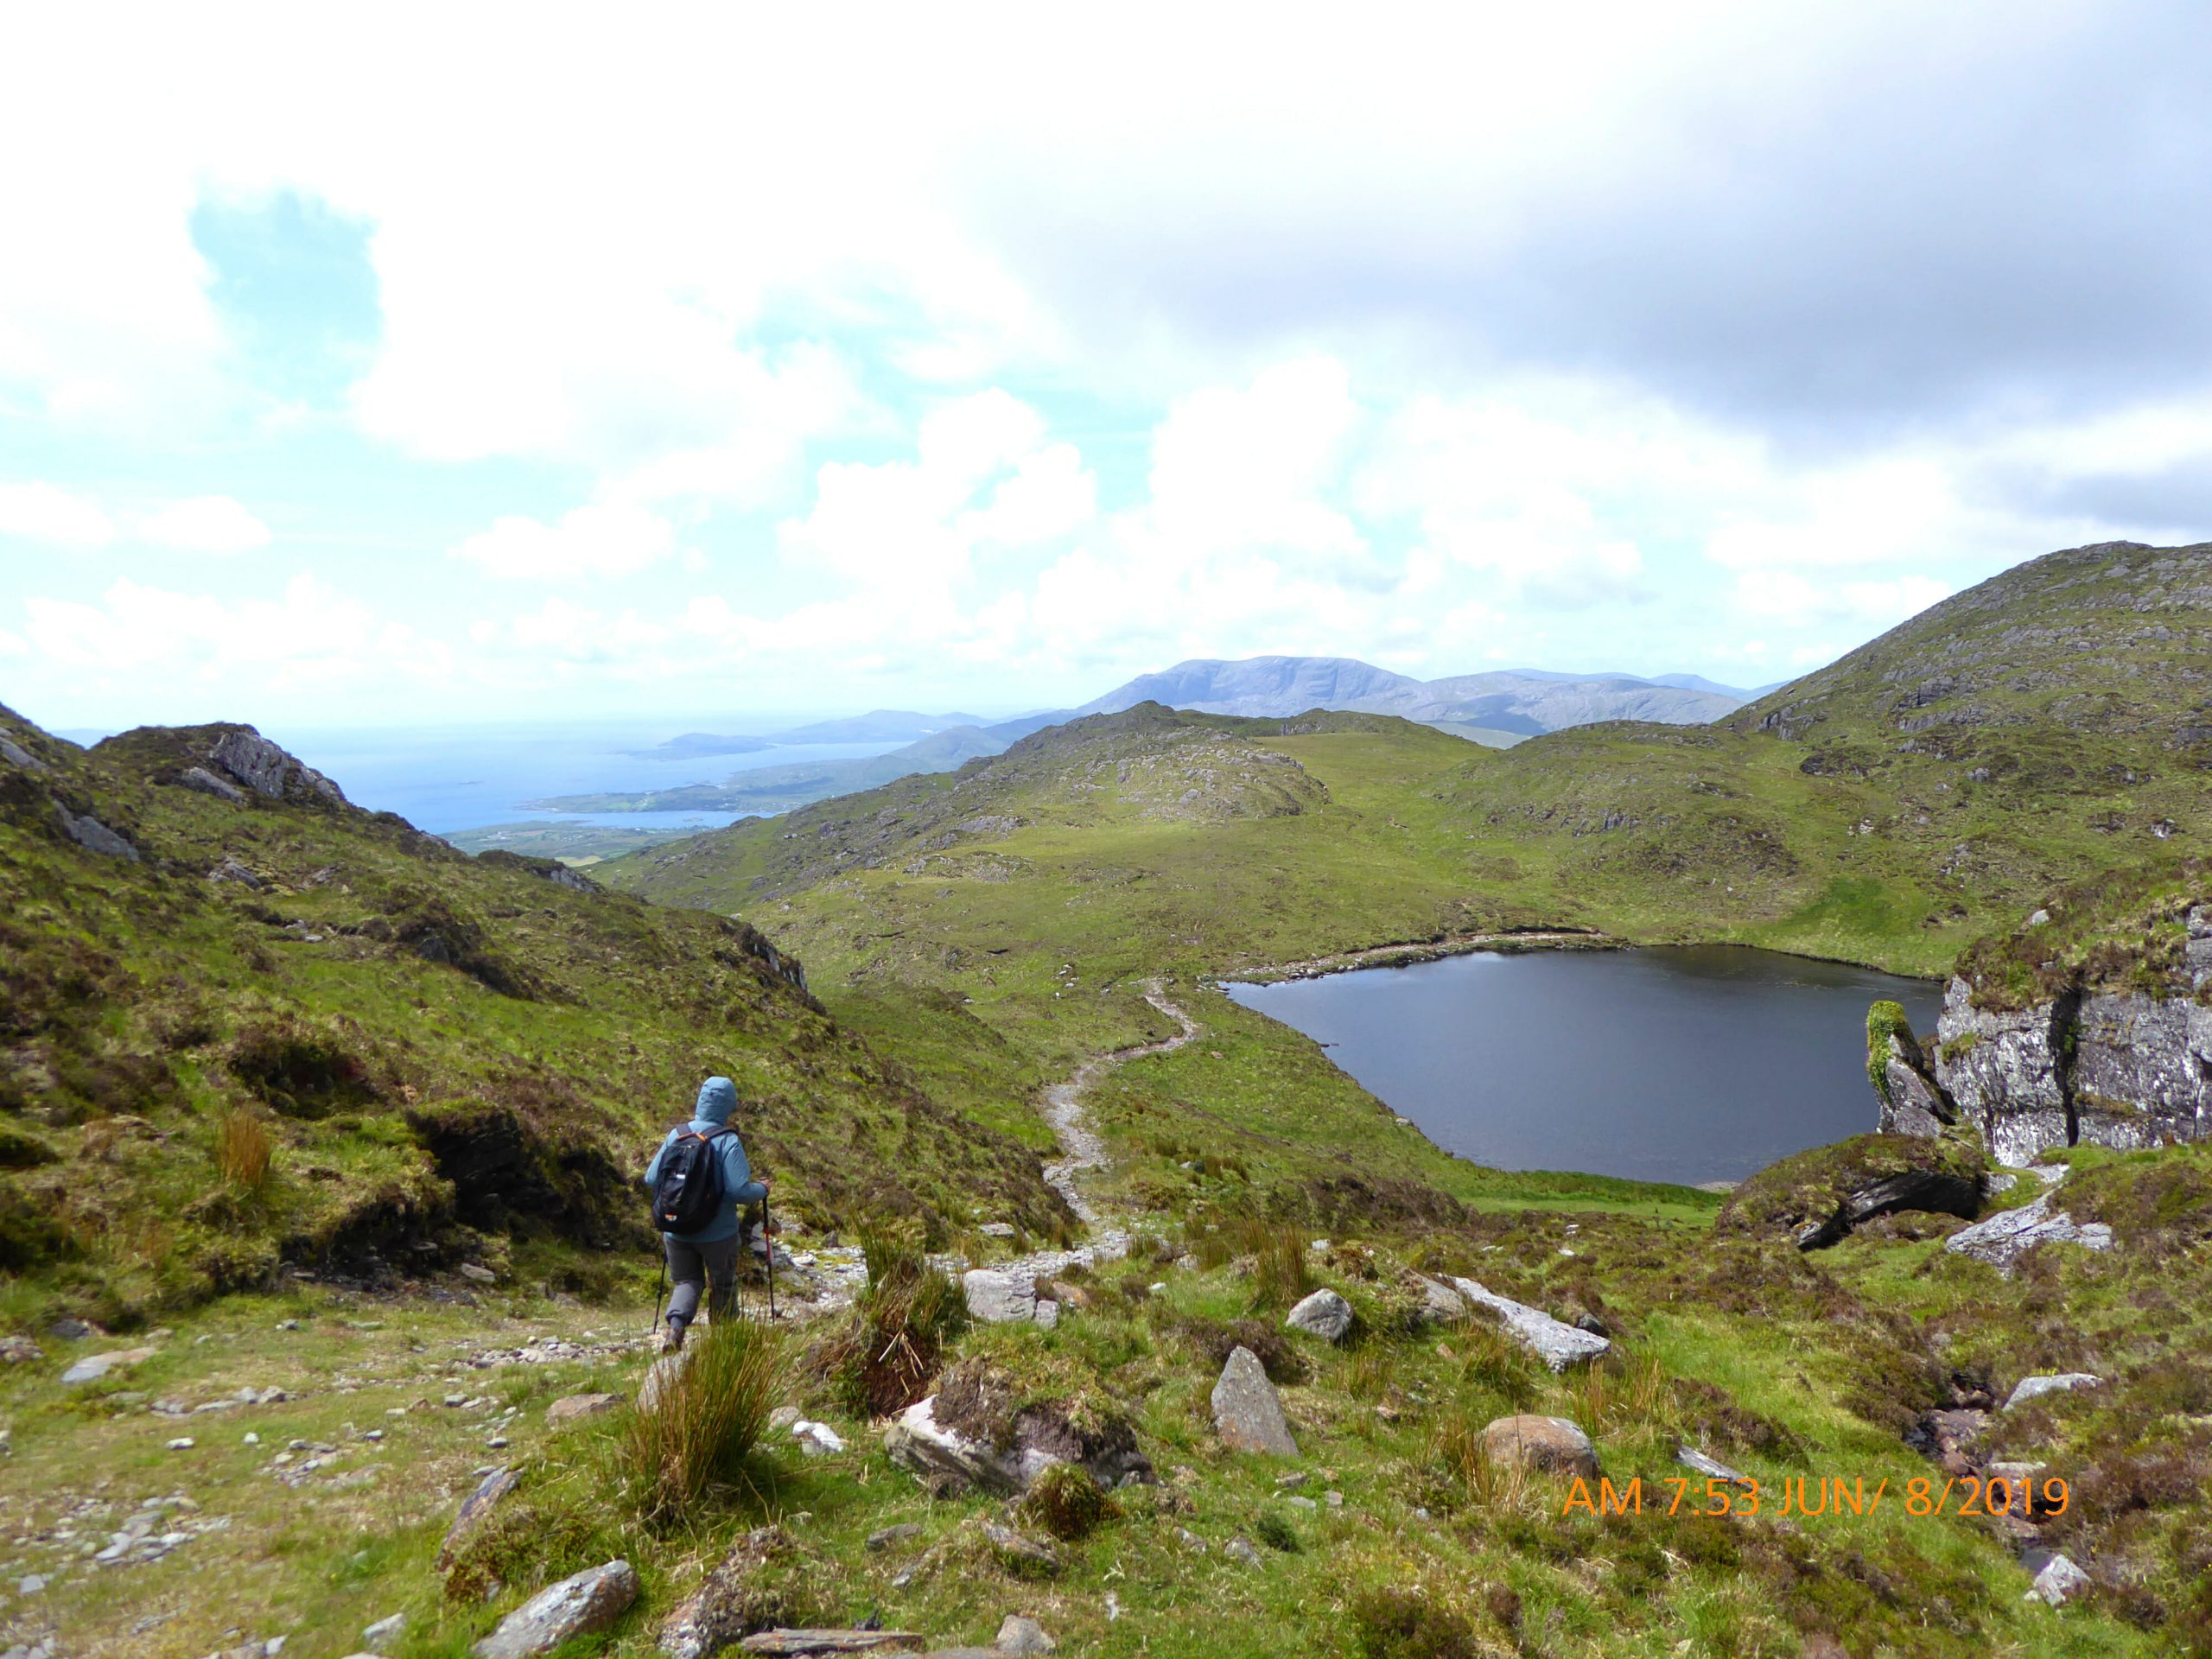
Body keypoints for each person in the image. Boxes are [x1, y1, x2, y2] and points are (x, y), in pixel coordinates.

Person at [642, 1076, 768, 1352]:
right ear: (727, 1106)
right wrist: (762, 1189)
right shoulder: (727, 1141)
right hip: (717, 1232)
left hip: (676, 1229)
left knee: (687, 1281)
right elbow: (739, 1191)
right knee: (723, 1283)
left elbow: (652, 1178)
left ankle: (675, 1331)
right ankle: (723, 1344)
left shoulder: (677, 1135)